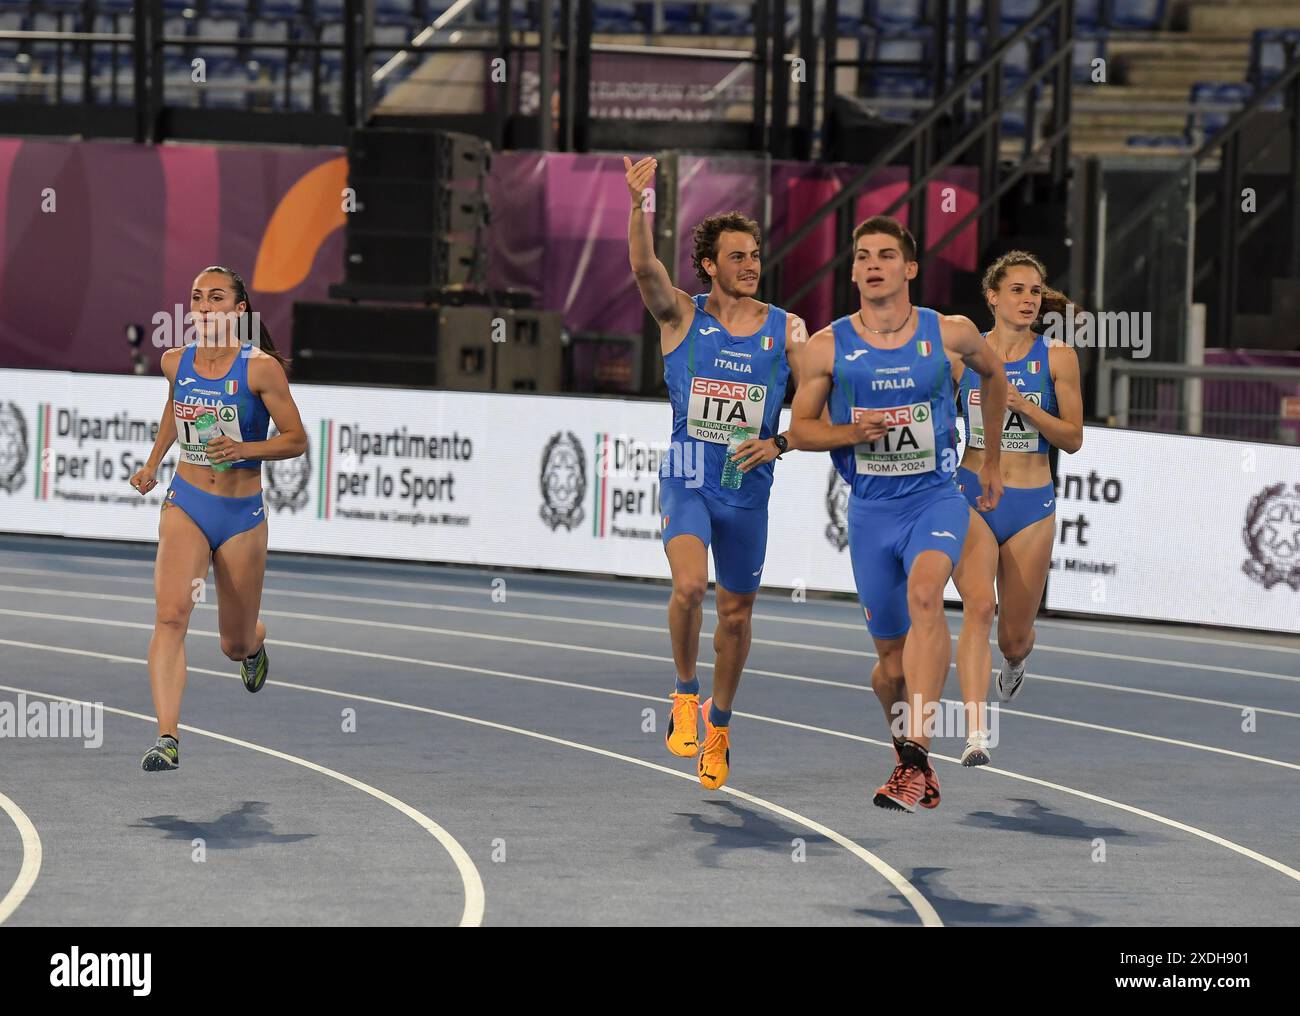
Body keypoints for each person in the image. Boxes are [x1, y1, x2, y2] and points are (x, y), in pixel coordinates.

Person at [789, 215, 1007, 813]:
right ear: (854, 270)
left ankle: (916, 753)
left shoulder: (950, 332)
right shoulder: (828, 346)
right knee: (889, 669)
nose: (873, 264)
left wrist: (986, 455)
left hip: (934, 498)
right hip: (871, 511)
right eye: (862, 256)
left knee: (927, 595)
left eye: (886, 254)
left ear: (910, 268)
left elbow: (994, 374)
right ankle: (913, 759)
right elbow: (800, 431)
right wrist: (849, 430)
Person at [624, 155, 807, 790]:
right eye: (737, 256)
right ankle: (682, 692)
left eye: (755, 255)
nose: (751, 265)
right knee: (690, 589)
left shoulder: (787, 330)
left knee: (736, 615)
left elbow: (820, 389)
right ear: (708, 264)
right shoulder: (680, 315)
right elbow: (644, 267)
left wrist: (782, 440)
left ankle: (720, 724)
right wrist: (640, 203)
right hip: (686, 471)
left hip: (748, 488)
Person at [129, 266, 308, 771]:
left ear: (238, 311)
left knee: (232, 641)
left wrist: (244, 448)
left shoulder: (260, 369)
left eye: (215, 298)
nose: (204, 307)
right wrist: (151, 463)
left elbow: (297, 440)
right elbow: (175, 409)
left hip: (240, 514)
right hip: (186, 501)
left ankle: (255, 645)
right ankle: (167, 736)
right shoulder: (173, 362)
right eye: (197, 299)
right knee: (170, 616)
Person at [951, 252, 1084, 766]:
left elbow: (1072, 439)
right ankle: (975, 735)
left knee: (1013, 634)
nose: (1028, 300)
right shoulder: (965, 354)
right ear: (992, 296)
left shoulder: (1058, 358)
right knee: (978, 608)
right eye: (1017, 291)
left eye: (1035, 292)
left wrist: (1025, 405)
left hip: (1031, 504)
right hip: (972, 496)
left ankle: (1016, 661)